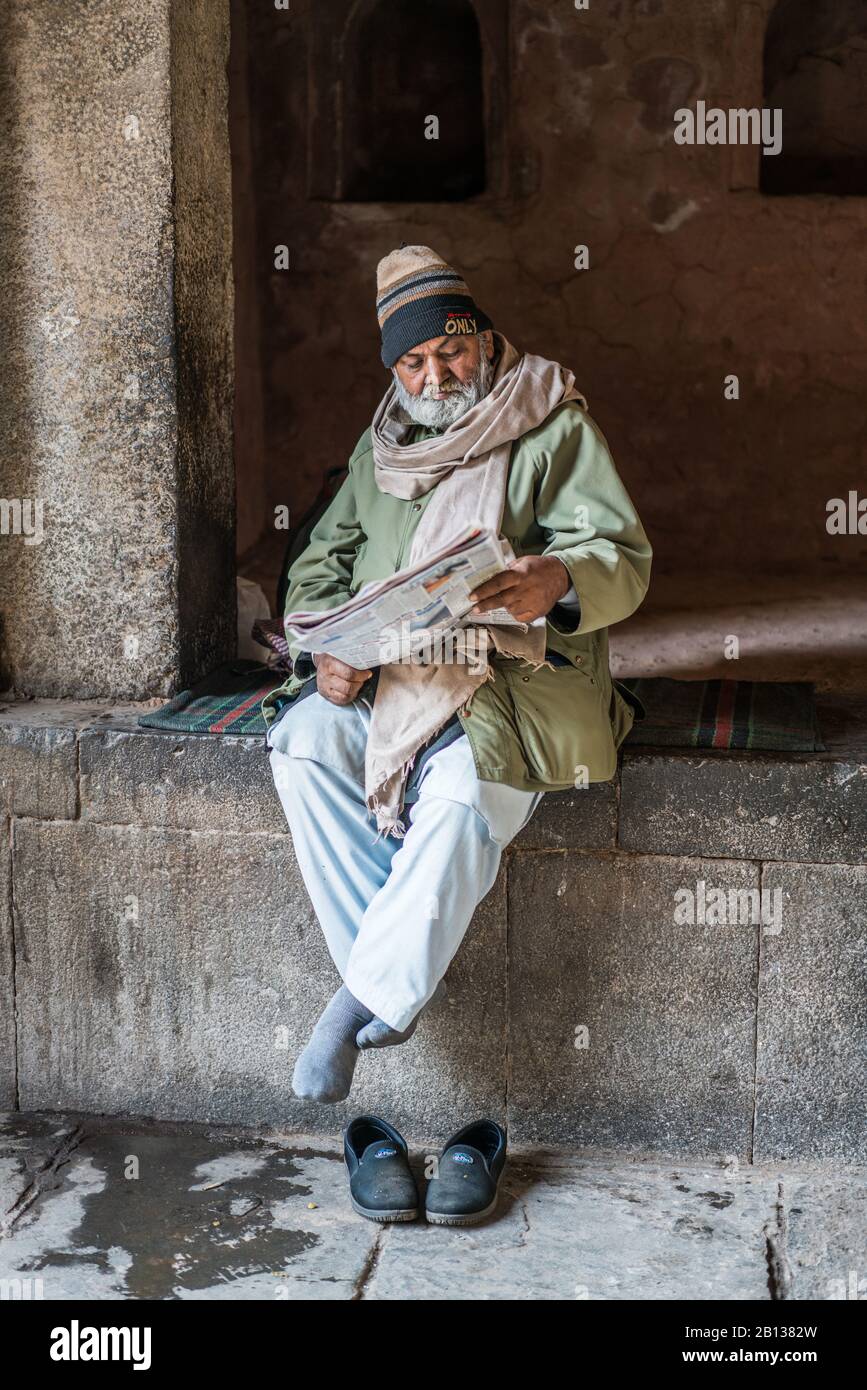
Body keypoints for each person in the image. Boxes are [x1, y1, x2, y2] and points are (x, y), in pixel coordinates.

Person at [262, 244, 652, 1103]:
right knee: (302, 744)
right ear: (394, 367)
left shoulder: (554, 425)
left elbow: (621, 556)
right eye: (413, 360)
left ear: (481, 337)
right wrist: (325, 649)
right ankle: (385, 981)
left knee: (467, 795)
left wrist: (555, 579)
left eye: (451, 352)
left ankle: (354, 1005)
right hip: (390, 677)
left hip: (512, 676)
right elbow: (319, 571)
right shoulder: (381, 450)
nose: (435, 376)